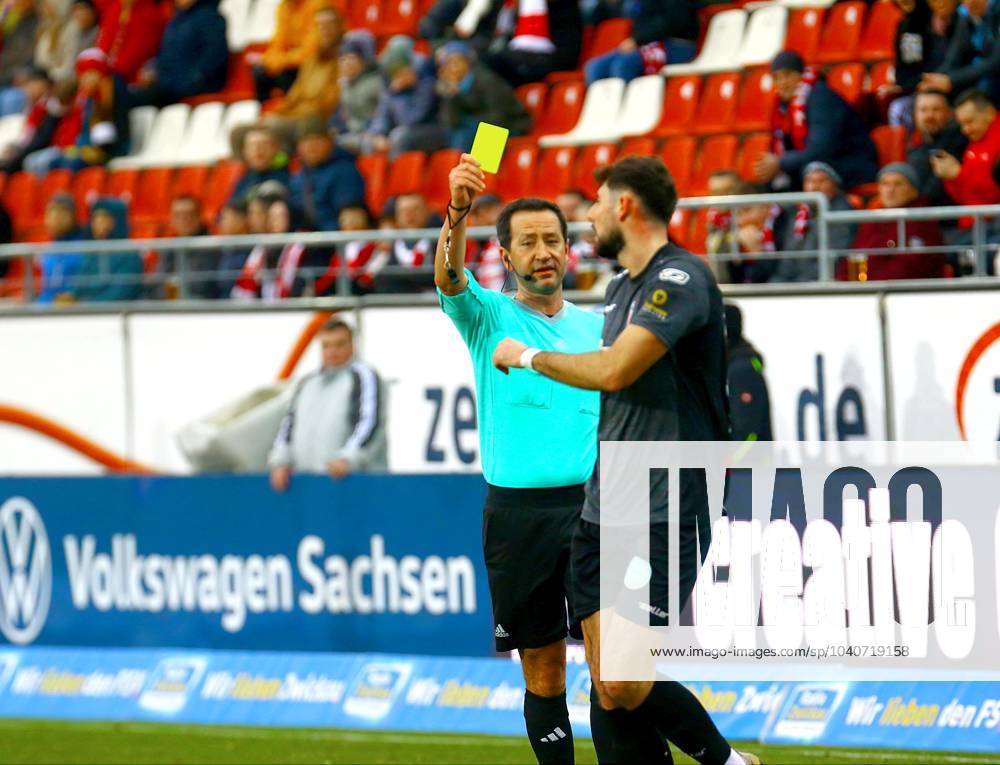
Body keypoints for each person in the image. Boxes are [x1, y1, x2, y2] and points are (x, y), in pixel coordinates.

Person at [491, 155, 759, 765]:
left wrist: (527, 356)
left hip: (664, 504)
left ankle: (729, 762)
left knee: (627, 680)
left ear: (626, 207)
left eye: (596, 200)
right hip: (602, 506)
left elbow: (615, 370)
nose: (587, 213)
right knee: (610, 688)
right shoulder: (621, 287)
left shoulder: (681, 279)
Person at [435, 153, 605, 765]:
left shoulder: (600, 326)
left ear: (569, 250)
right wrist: (457, 211)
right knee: (543, 670)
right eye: (528, 242)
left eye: (552, 239)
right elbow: (450, 278)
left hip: (593, 509)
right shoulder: (487, 316)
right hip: (516, 516)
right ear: (505, 257)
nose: (543, 251)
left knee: (613, 667)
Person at [268, 317, 387, 490]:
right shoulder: (307, 382)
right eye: (326, 345)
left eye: (339, 344)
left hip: (355, 485)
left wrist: (348, 459)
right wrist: (280, 461)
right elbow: (288, 426)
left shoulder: (363, 376)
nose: (332, 351)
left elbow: (369, 424)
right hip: (311, 486)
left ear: (352, 345)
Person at [754, 50, 878, 190]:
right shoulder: (783, 107)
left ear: (801, 74)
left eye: (788, 75)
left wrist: (780, 162)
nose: (783, 83)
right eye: (776, 78)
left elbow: (820, 149)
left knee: (804, 177)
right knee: (770, 183)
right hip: (824, 162)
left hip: (852, 164)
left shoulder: (820, 96)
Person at [24, 48, 126, 174]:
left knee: (68, 162)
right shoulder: (88, 99)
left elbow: (112, 132)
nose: (86, 80)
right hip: (83, 149)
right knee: (36, 161)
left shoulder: (110, 94)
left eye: (91, 73)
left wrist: (90, 150)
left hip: (106, 149)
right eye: (83, 76)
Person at [838, 162, 946, 281]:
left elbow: (911, 268)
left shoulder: (922, 221)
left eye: (898, 184)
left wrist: (870, 283)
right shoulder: (872, 221)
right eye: (885, 184)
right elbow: (851, 260)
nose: (890, 190)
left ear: (913, 191)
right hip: (865, 293)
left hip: (907, 294)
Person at [127, 0, 228, 107]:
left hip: (187, 88)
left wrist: (190, 82)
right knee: (124, 94)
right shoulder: (175, 20)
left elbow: (215, 57)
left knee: (122, 99)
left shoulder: (210, 18)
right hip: (167, 87)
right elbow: (165, 56)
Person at [771, 161, 858, 282]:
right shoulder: (799, 214)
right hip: (794, 283)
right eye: (810, 181)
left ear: (835, 185)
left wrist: (796, 286)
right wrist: (778, 282)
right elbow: (788, 259)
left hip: (821, 285)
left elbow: (833, 260)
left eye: (822, 181)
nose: (814, 187)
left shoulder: (842, 214)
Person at [436, 41, 531, 151]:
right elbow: (450, 122)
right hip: (479, 125)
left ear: (467, 62)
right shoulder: (456, 85)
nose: (452, 68)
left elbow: (499, 115)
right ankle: (461, 167)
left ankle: (482, 168)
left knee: (480, 135)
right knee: (454, 134)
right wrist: (451, 95)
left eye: (456, 62)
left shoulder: (486, 80)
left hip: (511, 124)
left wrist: (476, 127)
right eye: (448, 64)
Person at [366, 35, 446, 157]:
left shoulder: (426, 85)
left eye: (403, 70)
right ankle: (377, 175)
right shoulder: (392, 89)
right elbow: (381, 116)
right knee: (369, 140)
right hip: (405, 129)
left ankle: (398, 175)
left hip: (432, 130)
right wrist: (378, 134)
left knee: (399, 136)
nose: (399, 76)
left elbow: (411, 119)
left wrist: (398, 95)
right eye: (395, 74)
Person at [265, 6, 342, 133]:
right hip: (300, 114)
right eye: (319, 26)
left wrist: (299, 114)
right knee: (254, 129)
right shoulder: (311, 59)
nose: (324, 30)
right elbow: (295, 94)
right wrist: (280, 112)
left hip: (320, 118)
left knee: (274, 129)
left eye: (329, 25)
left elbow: (331, 102)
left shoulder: (344, 58)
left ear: (339, 27)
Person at [584, 0, 698, 84]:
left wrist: (637, 40)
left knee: (624, 64)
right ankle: (607, 113)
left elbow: (672, 23)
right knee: (594, 68)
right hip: (647, 43)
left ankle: (634, 111)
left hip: (678, 45)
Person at [884, 0, 958, 128]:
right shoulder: (909, 27)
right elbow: (904, 71)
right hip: (924, 88)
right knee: (899, 109)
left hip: (953, 84)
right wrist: (921, 82)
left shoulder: (957, 19)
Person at [288, 116, 365, 231]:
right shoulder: (297, 178)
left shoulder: (345, 170)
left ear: (329, 142)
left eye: (317, 140)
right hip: (305, 240)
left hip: (334, 240)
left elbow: (351, 213)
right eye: (306, 141)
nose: (311, 146)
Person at [486, 0, 583, 87]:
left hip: (556, 55)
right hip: (529, 54)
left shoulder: (565, 8)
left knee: (494, 64)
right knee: (488, 61)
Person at [930, 88, 1000, 208]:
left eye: (970, 122)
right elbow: (965, 198)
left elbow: (994, 194)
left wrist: (958, 174)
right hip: (974, 220)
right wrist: (950, 178)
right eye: (962, 124)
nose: (965, 130)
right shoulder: (975, 141)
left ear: (989, 113)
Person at [248, 0, 329, 101]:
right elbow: (277, 42)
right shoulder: (283, 7)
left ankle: (297, 110)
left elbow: (311, 50)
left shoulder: (317, 5)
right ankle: (263, 111)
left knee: (284, 74)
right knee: (260, 72)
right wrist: (270, 60)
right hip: (290, 62)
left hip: (314, 64)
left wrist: (279, 61)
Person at [920, 0, 1000, 102]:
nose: (969, 3)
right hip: (975, 77)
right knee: (927, 97)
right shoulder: (966, 15)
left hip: (992, 78)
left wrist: (952, 80)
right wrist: (935, 79)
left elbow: (996, 62)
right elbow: (955, 56)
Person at [74, 196, 144, 302]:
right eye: (95, 218)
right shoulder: (90, 253)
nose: (99, 222)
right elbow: (78, 285)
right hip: (85, 314)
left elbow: (121, 293)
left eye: (105, 217)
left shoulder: (130, 255)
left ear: (118, 220)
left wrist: (85, 307)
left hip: (116, 315)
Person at [907, 89, 968, 206]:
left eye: (936, 109)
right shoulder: (914, 149)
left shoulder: (960, 141)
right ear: (915, 115)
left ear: (950, 113)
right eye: (923, 110)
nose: (929, 116)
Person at [329, 30, 384, 154]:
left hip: (372, 135)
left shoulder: (377, 83)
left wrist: (372, 132)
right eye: (342, 59)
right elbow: (340, 115)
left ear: (365, 61)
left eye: (351, 58)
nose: (346, 64)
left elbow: (384, 115)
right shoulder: (344, 84)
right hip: (351, 135)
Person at [154, 195, 220, 299]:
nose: (183, 220)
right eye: (177, 215)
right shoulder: (169, 248)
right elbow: (157, 283)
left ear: (199, 217)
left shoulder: (211, 247)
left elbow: (202, 286)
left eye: (188, 215)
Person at [724, 303, 772, 443]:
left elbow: (747, 430)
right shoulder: (746, 361)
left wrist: (731, 461)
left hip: (749, 461)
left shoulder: (741, 370)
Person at [93, 0, 166, 84]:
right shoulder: (114, 8)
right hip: (105, 72)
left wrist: (104, 74)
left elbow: (135, 57)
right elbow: (102, 43)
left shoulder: (151, 16)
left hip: (129, 79)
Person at [34, 0, 99, 86]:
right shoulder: (49, 25)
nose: (45, 9)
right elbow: (41, 61)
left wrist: (47, 77)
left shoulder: (72, 29)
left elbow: (70, 68)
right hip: (48, 76)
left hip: (63, 81)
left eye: (48, 4)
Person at [36, 193, 85, 303]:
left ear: (73, 216)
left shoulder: (85, 249)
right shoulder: (48, 250)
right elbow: (47, 291)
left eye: (61, 211)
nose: (55, 217)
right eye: (50, 212)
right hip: (45, 310)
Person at [227, 125, 292, 205]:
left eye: (264, 144)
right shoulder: (243, 178)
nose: (258, 150)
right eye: (252, 145)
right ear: (244, 151)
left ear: (276, 148)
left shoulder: (286, 177)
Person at [0, 0, 40, 116]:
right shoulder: (14, 21)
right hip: (6, 74)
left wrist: (26, 73)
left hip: (22, 77)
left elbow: (30, 56)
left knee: (10, 99)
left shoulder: (38, 22)